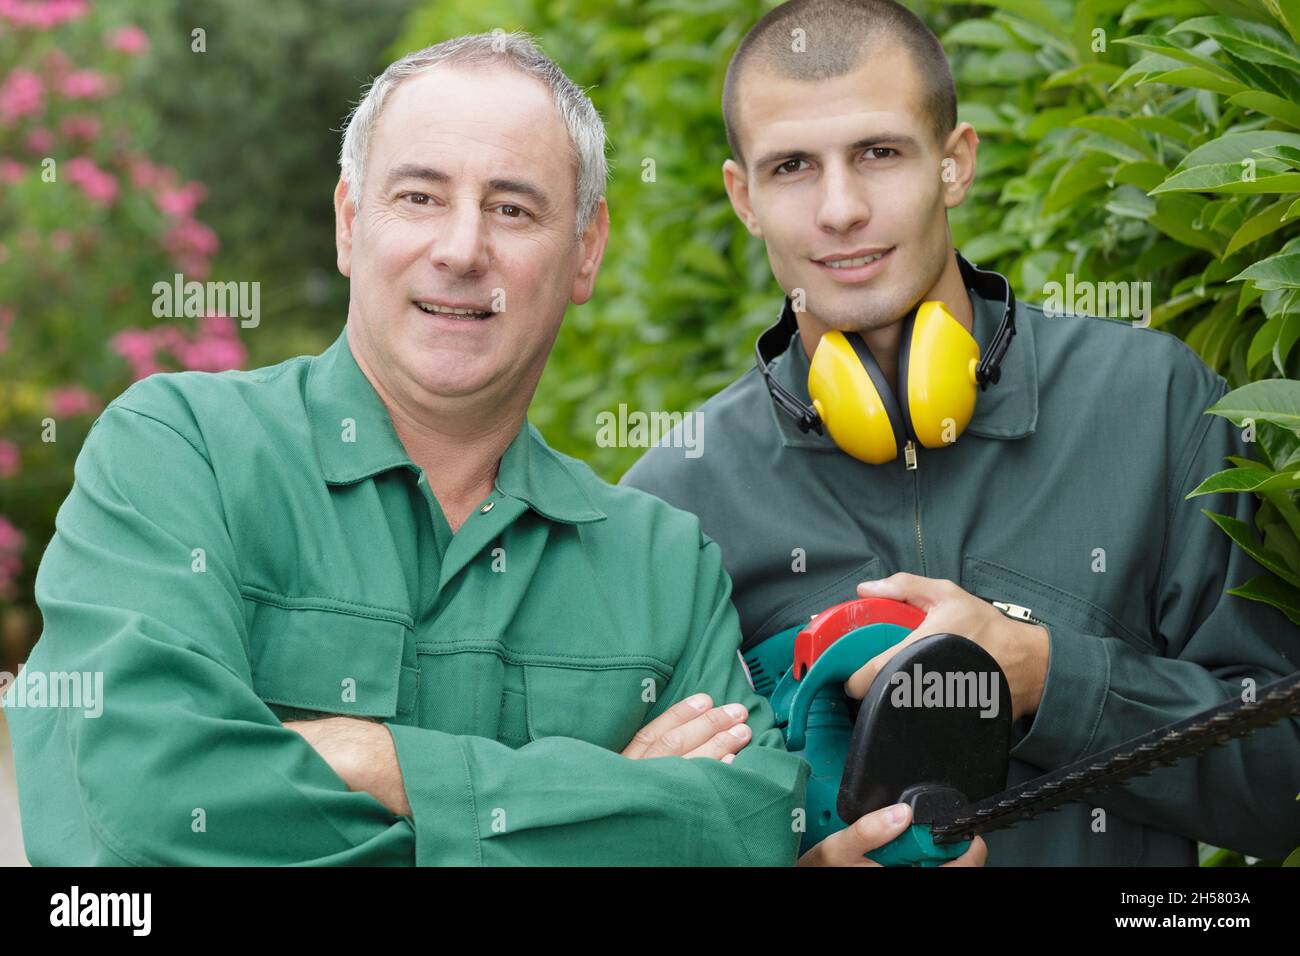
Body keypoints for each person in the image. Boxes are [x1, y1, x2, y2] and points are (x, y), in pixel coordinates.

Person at [6, 32, 825, 866]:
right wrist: (599, 805)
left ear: (586, 252)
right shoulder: (181, 454)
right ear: (349, 221)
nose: (462, 250)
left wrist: (382, 762)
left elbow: (753, 827)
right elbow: (145, 810)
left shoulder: (662, 564)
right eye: (420, 198)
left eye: (512, 208)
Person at [622, 0, 1300, 864]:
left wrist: (1046, 678)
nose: (840, 209)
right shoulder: (672, 499)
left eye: (879, 153)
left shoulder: (1154, 402)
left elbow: (1286, 783)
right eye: (791, 166)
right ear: (743, 197)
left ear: (956, 163)